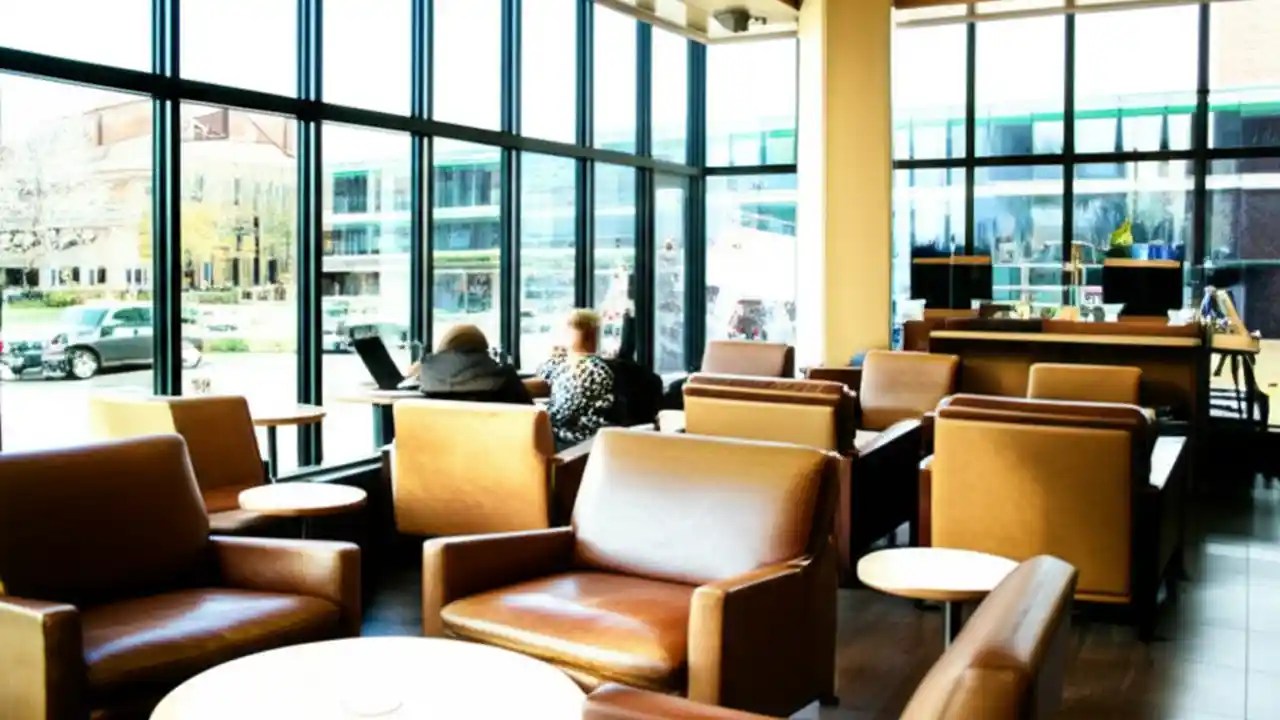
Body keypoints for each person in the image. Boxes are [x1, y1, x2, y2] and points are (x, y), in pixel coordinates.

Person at [536, 309, 615, 450]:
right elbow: (543, 374)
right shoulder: (566, 364)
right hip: (566, 433)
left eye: (569, 329)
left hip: (577, 439)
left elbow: (565, 413)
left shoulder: (592, 369)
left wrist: (539, 413)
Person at [407, 324, 531, 405]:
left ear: (444, 348)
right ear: (484, 349)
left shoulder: (426, 379)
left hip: (437, 444)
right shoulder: (506, 379)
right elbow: (531, 423)